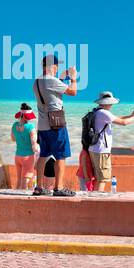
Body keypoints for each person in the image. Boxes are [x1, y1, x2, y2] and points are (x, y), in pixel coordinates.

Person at [33, 54, 78, 197]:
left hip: (42, 124)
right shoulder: (51, 81)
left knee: (43, 155)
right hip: (56, 122)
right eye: (57, 66)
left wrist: (61, 78)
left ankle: (39, 187)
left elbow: (50, 88)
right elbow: (73, 92)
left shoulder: (37, 82)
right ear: (53, 66)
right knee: (61, 155)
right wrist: (73, 78)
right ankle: (59, 188)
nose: (58, 68)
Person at [87, 91, 134, 192]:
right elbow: (124, 123)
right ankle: (98, 202)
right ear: (107, 102)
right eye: (111, 102)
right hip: (101, 150)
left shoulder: (97, 111)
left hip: (94, 148)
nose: (111, 104)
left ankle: (95, 199)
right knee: (102, 179)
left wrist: (131, 115)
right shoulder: (104, 113)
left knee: (99, 178)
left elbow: (117, 118)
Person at [9, 104, 39, 190]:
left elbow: (13, 139)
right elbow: (34, 144)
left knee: (19, 181)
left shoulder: (14, 125)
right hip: (28, 157)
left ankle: (15, 199)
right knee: (24, 183)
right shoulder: (30, 127)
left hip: (17, 156)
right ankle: (22, 200)